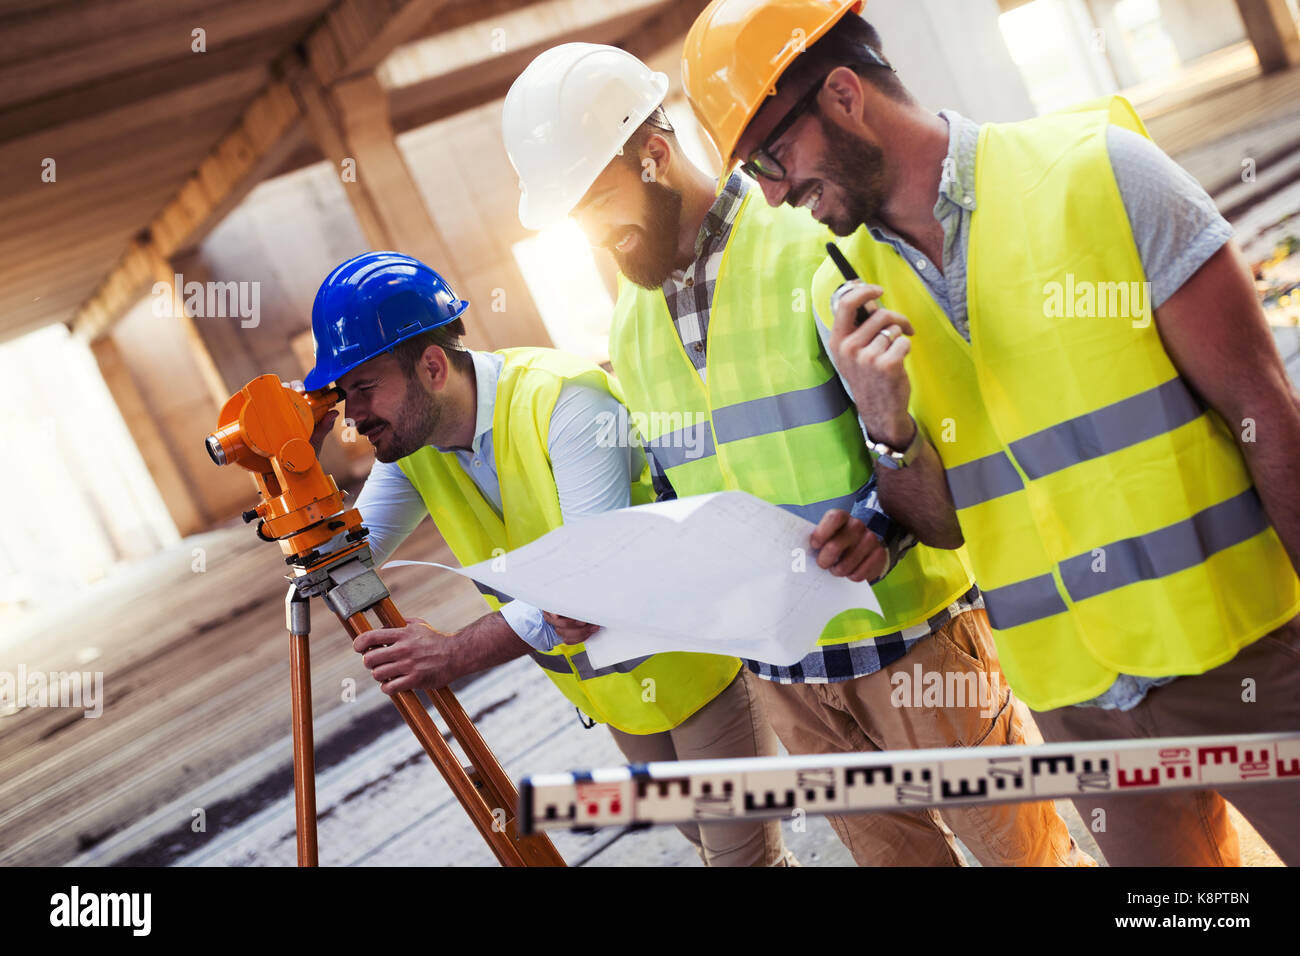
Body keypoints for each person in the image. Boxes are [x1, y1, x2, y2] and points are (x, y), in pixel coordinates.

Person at [683, 0, 1300, 865]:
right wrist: (886, 426)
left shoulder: (1098, 173)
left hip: (1242, 654)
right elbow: (946, 522)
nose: (776, 197)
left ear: (845, 96)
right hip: (1079, 701)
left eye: (772, 160)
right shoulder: (856, 295)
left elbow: (1265, 411)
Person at [504, 43, 1093, 867]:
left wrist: (879, 524)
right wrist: (610, 592)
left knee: (1027, 856)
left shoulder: (809, 237)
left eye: (597, 203)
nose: (597, 236)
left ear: (654, 152)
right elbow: (682, 496)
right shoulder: (631, 329)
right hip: (788, 680)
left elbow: (933, 423)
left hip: (909, 643)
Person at [300, 250, 808, 866]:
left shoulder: (564, 402)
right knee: (711, 844)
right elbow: (337, 566)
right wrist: (296, 473)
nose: (352, 417)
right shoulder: (414, 448)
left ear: (432, 366)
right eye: (342, 395)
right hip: (617, 697)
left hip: (700, 666)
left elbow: (591, 581)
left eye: (362, 389)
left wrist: (457, 651)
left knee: (742, 862)